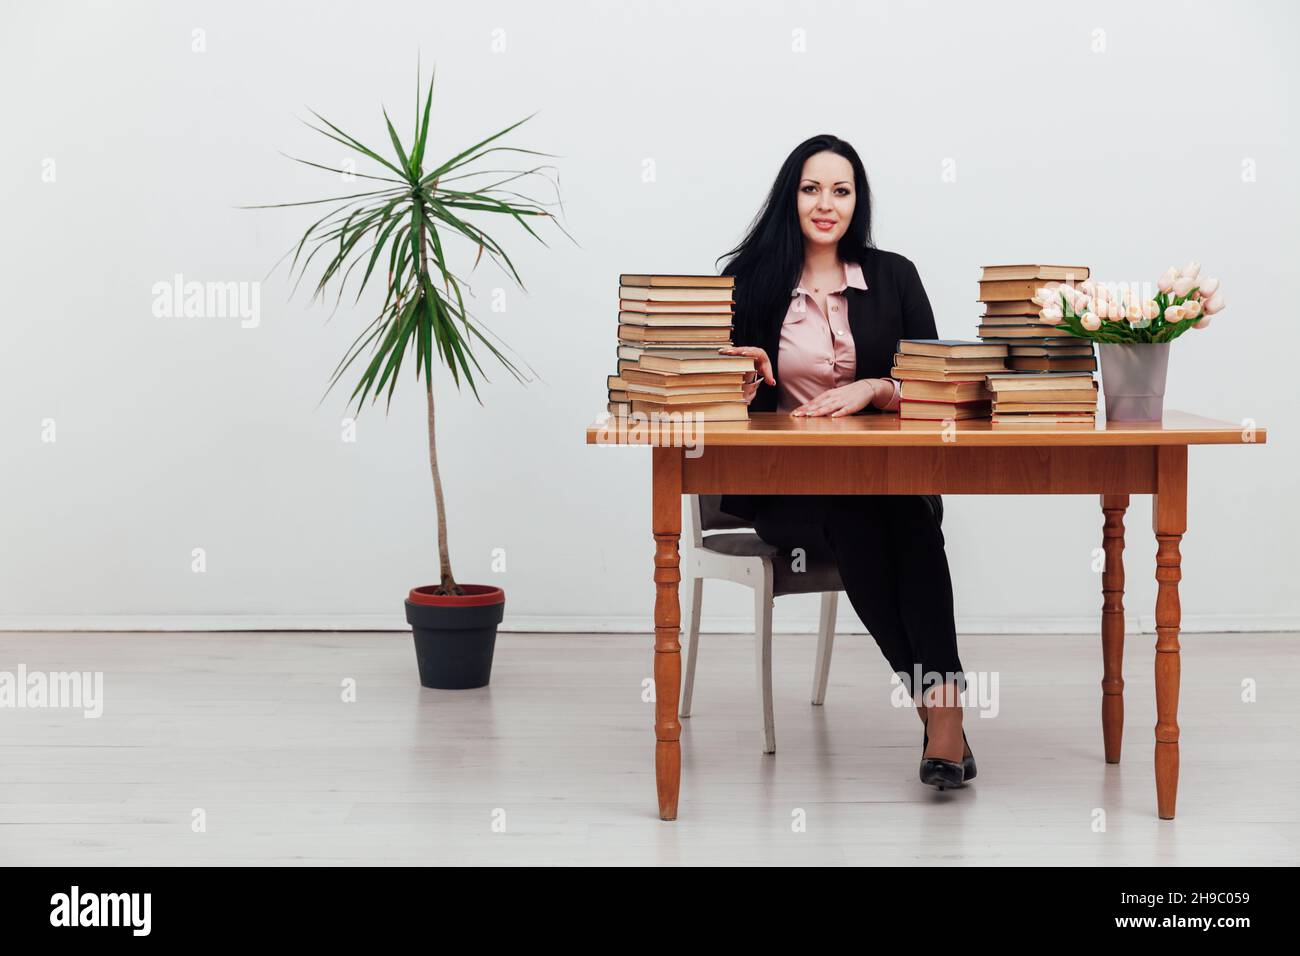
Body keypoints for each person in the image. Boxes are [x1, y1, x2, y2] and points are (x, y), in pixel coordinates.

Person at [715, 133, 974, 790]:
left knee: (908, 519)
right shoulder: (746, 282)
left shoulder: (895, 275)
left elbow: (942, 382)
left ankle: (940, 711)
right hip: (786, 493)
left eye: (840, 189)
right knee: (858, 520)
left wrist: (880, 387)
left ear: (858, 201)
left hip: (888, 481)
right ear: (790, 196)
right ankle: (941, 717)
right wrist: (740, 384)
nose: (824, 203)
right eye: (810, 188)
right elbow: (708, 392)